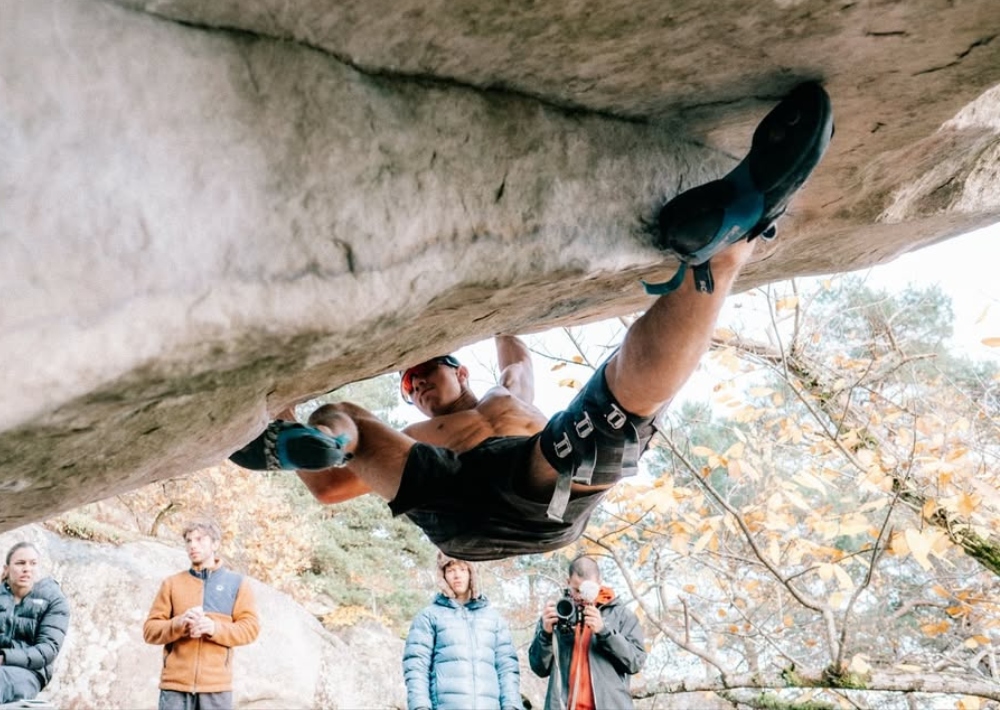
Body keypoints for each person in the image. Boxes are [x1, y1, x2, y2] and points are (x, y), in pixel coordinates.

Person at [230, 82, 834, 561]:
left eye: (421, 372)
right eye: (408, 387)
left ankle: (721, 249)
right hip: (500, 505)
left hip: (499, 489)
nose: (414, 388)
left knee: (599, 413)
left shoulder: (506, 391)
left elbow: (512, 340)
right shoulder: (426, 438)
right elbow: (333, 488)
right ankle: (729, 251)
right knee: (352, 428)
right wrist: (282, 408)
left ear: (456, 364)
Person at [143, 519, 260, 710]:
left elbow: (250, 629)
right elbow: (150, 630)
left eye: (199, 539)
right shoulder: (172, 584)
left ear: (215, 544)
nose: (193, 545)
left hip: (216, 689)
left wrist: (215, 628)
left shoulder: (237, 584)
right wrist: (178, 624)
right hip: (174, 688)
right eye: (188, 541)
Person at [402, 552, 521, 710]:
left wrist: (512, 706)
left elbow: (507, 669)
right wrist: (420, 707)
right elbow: (416, 667)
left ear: (472, 574)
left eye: (463, 569)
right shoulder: (429, 617)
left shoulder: (494, 619)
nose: (457, 575)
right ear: (443, 575)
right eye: (450, 570)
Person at [528, 555, 646, 710]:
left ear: (599, 582)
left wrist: (605, 632)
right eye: (576, 590)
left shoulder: (622, 616)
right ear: (567, 582)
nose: (581, 596)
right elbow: (539, 669)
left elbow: (635, 662)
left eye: (588, 589)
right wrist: (545, 634)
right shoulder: (558, 614)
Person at [0, 542, 70, 710]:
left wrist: (1, 659)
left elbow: (47, 650)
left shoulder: (54, 601)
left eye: (33, 563)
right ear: (6, 569)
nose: (27, 569)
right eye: (20, 563)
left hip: (28, 673)